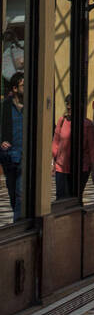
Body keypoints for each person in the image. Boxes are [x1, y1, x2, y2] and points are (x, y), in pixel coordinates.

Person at [51, 96, 94, 200]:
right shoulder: (62, 121)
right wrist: (53, 162)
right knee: (61, 199)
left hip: (80, 168)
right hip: (61, 167)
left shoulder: (87, 125)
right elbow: (56, 142)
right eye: (67, 105)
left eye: (71, 106)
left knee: (75, 198)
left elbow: (92, 149)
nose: (68, 108)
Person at [0, 72, 24, 220]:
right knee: (12, 192)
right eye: (23, 85)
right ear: (15, 88)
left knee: (20, 192)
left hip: (24, 156)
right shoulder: (5, 106)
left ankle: (18, 223)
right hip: (9, 157)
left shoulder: (31, 106)